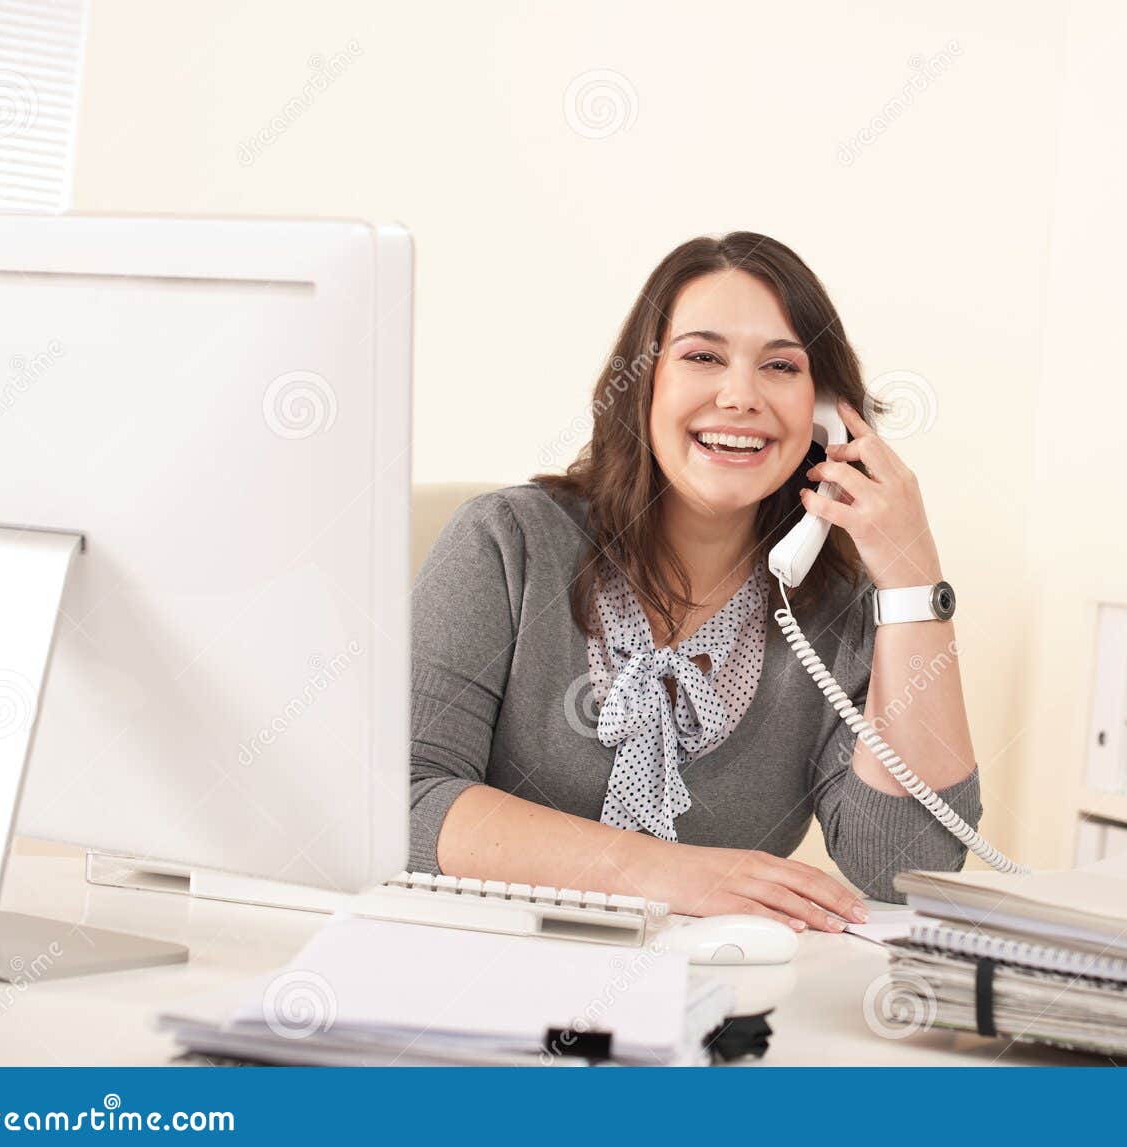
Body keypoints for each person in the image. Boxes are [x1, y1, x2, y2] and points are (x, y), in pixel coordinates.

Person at [409, 232, 982, 931]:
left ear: (826, 414)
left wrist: (914, 584)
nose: (740, 396)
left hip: (712, 1001)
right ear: (643, 382)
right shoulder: (508, 543)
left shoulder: (834, 613)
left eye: (781, 366)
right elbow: (404, 803)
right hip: (478, 976)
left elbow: (906, 863)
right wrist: (667, 873)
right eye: (703, 356)